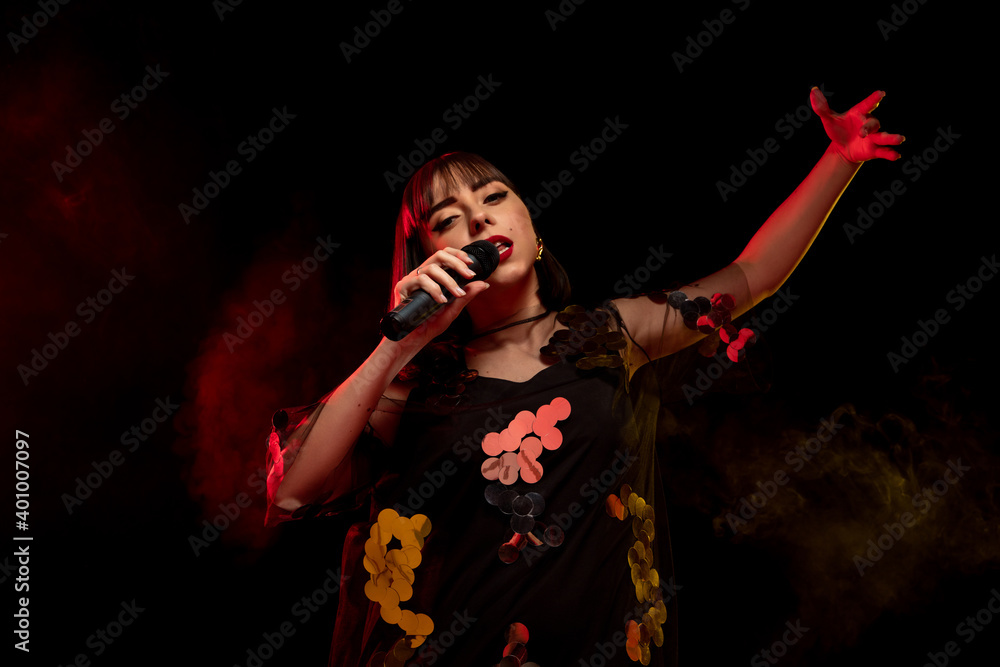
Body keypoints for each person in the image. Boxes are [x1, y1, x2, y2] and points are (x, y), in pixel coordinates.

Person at [263, 88, 903, 666]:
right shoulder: (412, 379)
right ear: (429, 258)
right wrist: (399, 342)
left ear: (534, 233)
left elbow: (754, 274)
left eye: (493, 197)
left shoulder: (609, 336)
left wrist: (840, 160)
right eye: (448, 219)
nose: (480, 219)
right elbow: (291, 491)